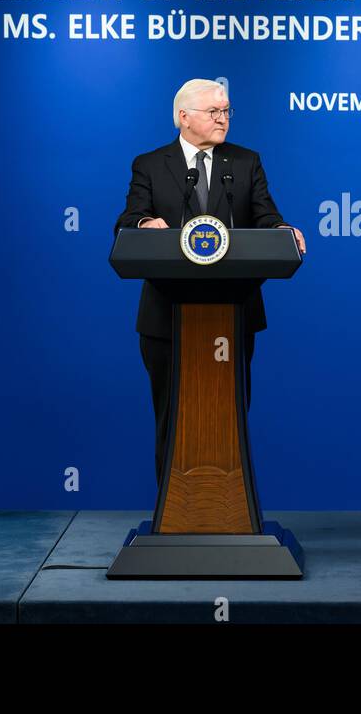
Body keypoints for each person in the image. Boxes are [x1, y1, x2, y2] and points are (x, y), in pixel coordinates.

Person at [113, 78, 306, 487]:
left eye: (226, 112)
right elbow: (129, 220)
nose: (223, 119)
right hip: (166, 316)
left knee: (229, 413)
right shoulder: (149, 164)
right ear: (184, 118)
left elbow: (266, 217)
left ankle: (231, 515)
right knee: (172, 415)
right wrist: (147, 224)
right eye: (213, 112)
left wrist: (283, 230)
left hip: (233, 311)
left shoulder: (246, 161)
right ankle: (171, 518)